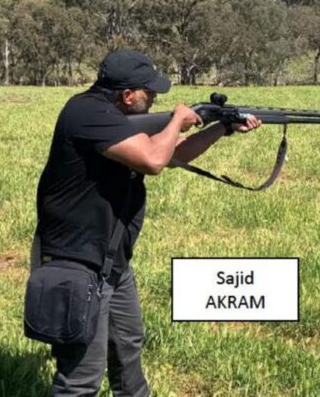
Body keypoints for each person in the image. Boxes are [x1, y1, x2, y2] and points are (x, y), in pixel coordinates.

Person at [32, 49, 261, 397]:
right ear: (127, 95)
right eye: (149, 92)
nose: (155, 98)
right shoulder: (87, 113)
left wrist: (221, 128)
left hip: (112, 261)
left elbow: (175, 154)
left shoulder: (114, 118)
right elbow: (154, 160)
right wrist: (175, 121)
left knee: (128, 350)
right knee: (79, 380)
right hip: (76, 263)